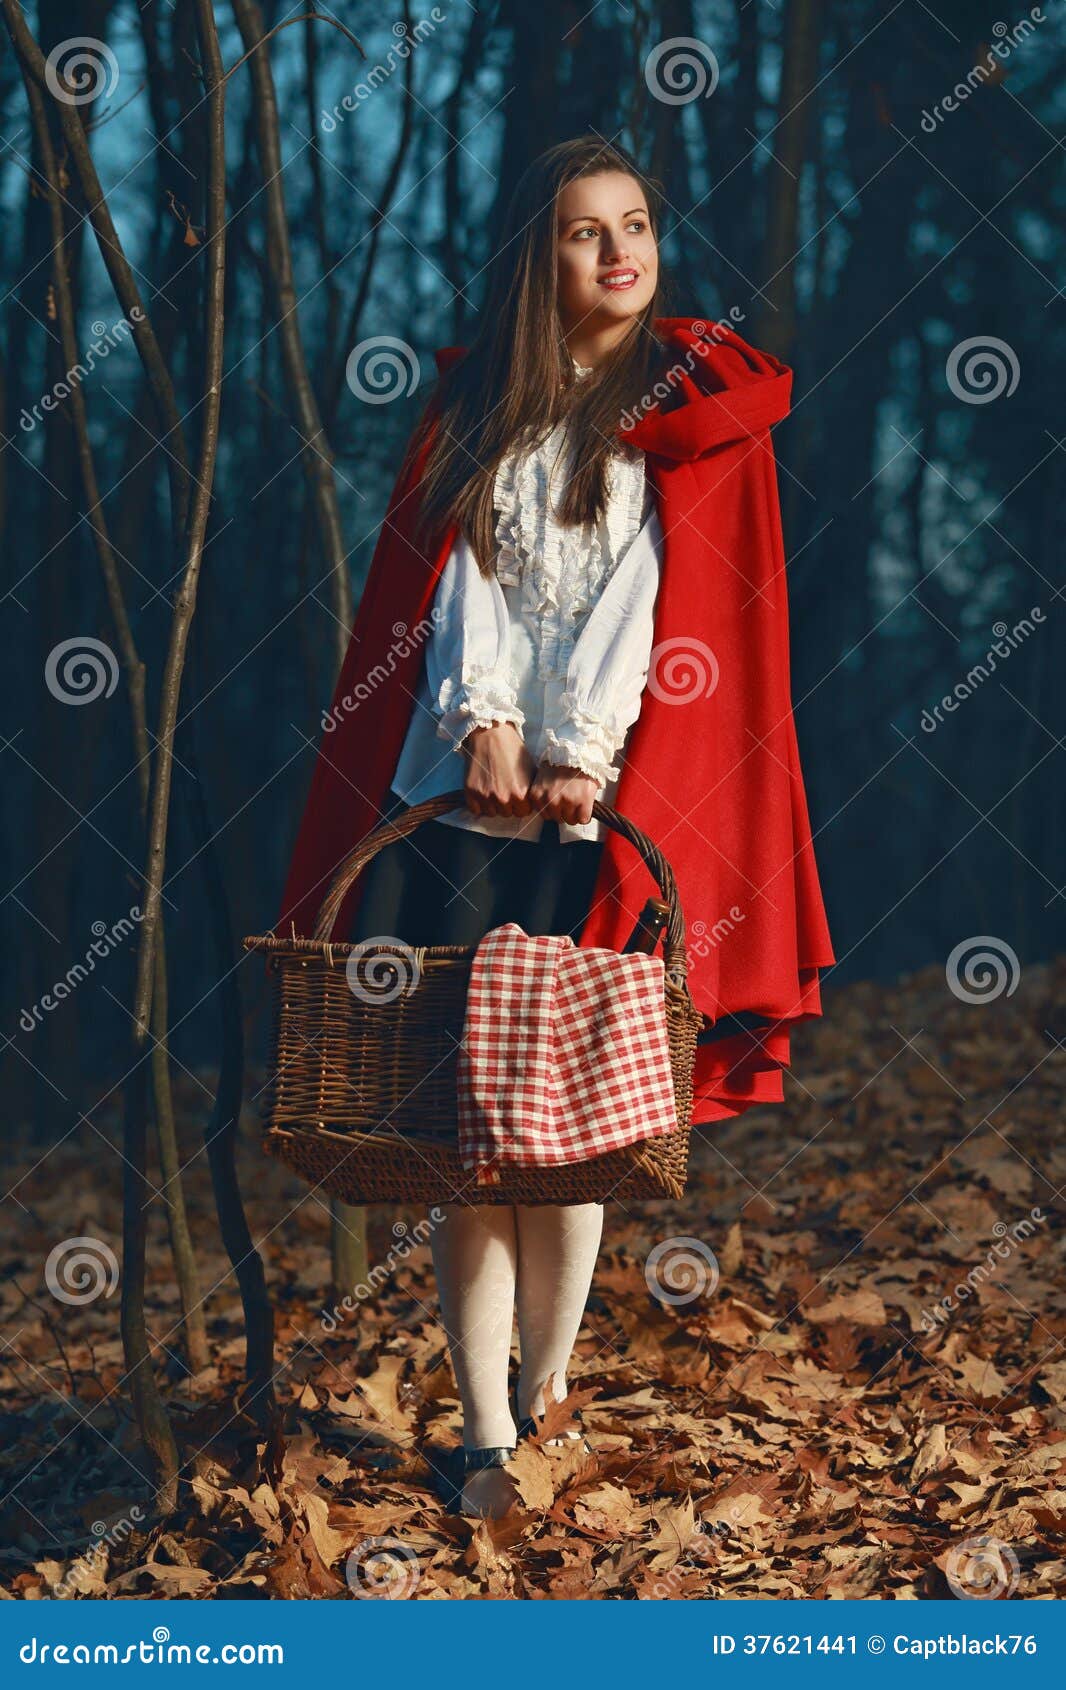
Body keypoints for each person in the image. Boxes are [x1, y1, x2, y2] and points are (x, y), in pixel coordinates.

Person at [278, 135, 835, 1518]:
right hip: (453, 808)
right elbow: (457, 573)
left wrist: (582, 749)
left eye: (634, 224)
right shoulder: (477, 410)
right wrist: (477, 719)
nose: (618, 252)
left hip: (590, 822)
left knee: (563, 1132)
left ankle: (545, 1385)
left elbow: (654, 601)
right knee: (455, 1137)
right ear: (543, 256)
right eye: (586, 231)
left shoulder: (683, 407)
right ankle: (479, 1428)